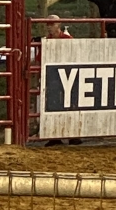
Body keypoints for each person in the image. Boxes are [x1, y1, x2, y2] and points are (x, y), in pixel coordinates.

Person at [37, 15, 82, 147]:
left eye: (52, 24)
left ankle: (72, 135)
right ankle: (56, 136)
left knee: (69, 105)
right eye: (48, 24)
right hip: (55, 77)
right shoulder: (49, 41)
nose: (50, 27)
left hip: (66, 75)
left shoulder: (65, 39)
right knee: (55, 105)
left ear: (58, 24)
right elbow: (40, 60)